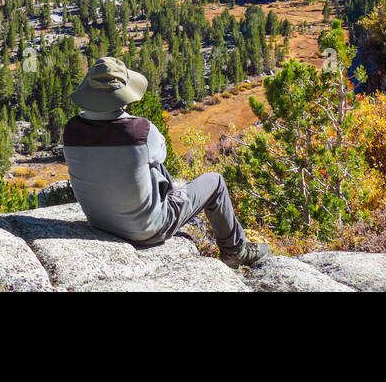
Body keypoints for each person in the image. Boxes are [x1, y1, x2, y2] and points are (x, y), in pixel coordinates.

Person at [62, 56, 270, 268]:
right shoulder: (140, 131)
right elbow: (161, 154)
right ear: (123, 93)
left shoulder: (70, 130)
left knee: (145, 164)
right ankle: (236, 250)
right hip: (147, 230)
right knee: (215, 181)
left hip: (100, 223)